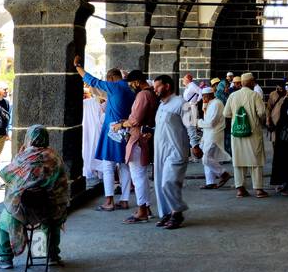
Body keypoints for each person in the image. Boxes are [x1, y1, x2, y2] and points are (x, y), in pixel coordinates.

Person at [0, 125, 70, 269]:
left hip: (23, 209)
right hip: (50, 206)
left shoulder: (22, 157)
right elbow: (62, 183)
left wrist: (20, 156)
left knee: (5, 219)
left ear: (29, 138)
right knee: (54, 220)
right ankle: (51, 255)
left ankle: (5, 258)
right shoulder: (54, 157)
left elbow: (6, 175)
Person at [73, 58, 136, 212]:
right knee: (124, 165)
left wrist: (77, 66)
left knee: (108, 165)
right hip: (126, 131)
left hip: (112, 131)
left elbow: (92, 81)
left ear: (111, 79)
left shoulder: (114, 87)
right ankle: (125, 199)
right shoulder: (131, 90)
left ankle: (109, 201)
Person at [151, 75, 196, 230]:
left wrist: (195, 145)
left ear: (167, 86)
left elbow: (191, 125)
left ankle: (178, 212)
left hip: (176, 149)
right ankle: (167, 213)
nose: (155, 89)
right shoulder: (161, 105)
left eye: (158, 86)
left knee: (168, 182)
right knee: (159, 183)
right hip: (160, 150)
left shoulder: (182, 103)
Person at [117, 70, 157, 224]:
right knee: (142, 176)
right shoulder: (151, 93)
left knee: (138, 176)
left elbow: (135, 120)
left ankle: (142, 211)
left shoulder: (142, 95)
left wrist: (120, 124)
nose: (131, 87)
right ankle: (145, 208)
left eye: (131, 84)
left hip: (137, 139)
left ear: (136, 81)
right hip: (144, 138)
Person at [224, 71, 269, 198]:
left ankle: (240, 189)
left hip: (237, 133)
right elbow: (261, 113)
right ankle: (258, 189)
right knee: (255, 160)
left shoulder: (233, 96)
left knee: (238, 160)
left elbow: (226, 113)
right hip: (253, 133)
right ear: (250, 82)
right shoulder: (255, 95)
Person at [197, 85, 232, 189]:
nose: (203, 99)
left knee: (206, 158)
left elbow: (211, 123)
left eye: (204, 96)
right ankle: (210, 182)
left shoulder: (217, 103)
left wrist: (199, 123)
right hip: (208, 134)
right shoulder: (210, 103)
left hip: (214, 135)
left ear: (209, 95)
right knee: (208, 158)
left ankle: (224, 174)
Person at [81, 86, 106, 186]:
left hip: (95, 132)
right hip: (90, 131)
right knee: (89, 151)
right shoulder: (89, 103)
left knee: (92, 151)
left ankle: (98, 173)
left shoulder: (94, 103)